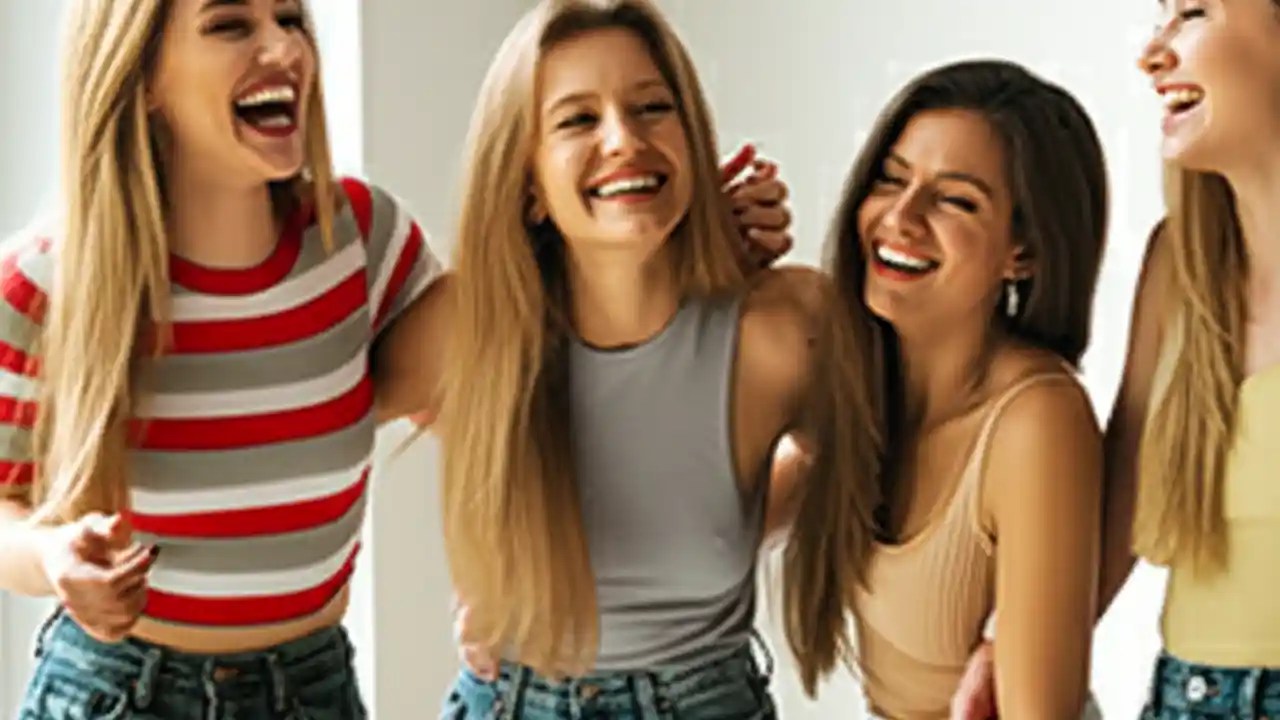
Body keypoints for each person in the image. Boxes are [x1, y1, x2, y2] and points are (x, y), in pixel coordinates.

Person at [0, 0, 789, 717]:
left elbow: (514, 382)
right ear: (141, 77)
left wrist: (668, 226)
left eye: (292, 19)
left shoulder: (361, 243)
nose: (283, 47)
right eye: (230, 24)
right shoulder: (43, 284)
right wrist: (50, 558)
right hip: (119, 691)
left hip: (315, 687)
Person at [434, 1, 883, 718]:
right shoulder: (465, 330)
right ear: (525, 182)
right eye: (578, 119)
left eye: (651, 107)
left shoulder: (788, 326)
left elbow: (889, 462)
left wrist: (730, 520)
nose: (624, 139)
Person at [952, 2, 1280, 718]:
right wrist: (1012, 645)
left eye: (1192, 13)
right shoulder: (1179, 264)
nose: (1153, 54)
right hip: (1188, 698)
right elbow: (1124, 485)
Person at [770, 59, 1109, 718]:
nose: (900, 217)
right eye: (892, 180)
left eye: (954, 199)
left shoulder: (1035, 420)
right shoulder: (854, 385)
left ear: (1025, 252)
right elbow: (705, 540)